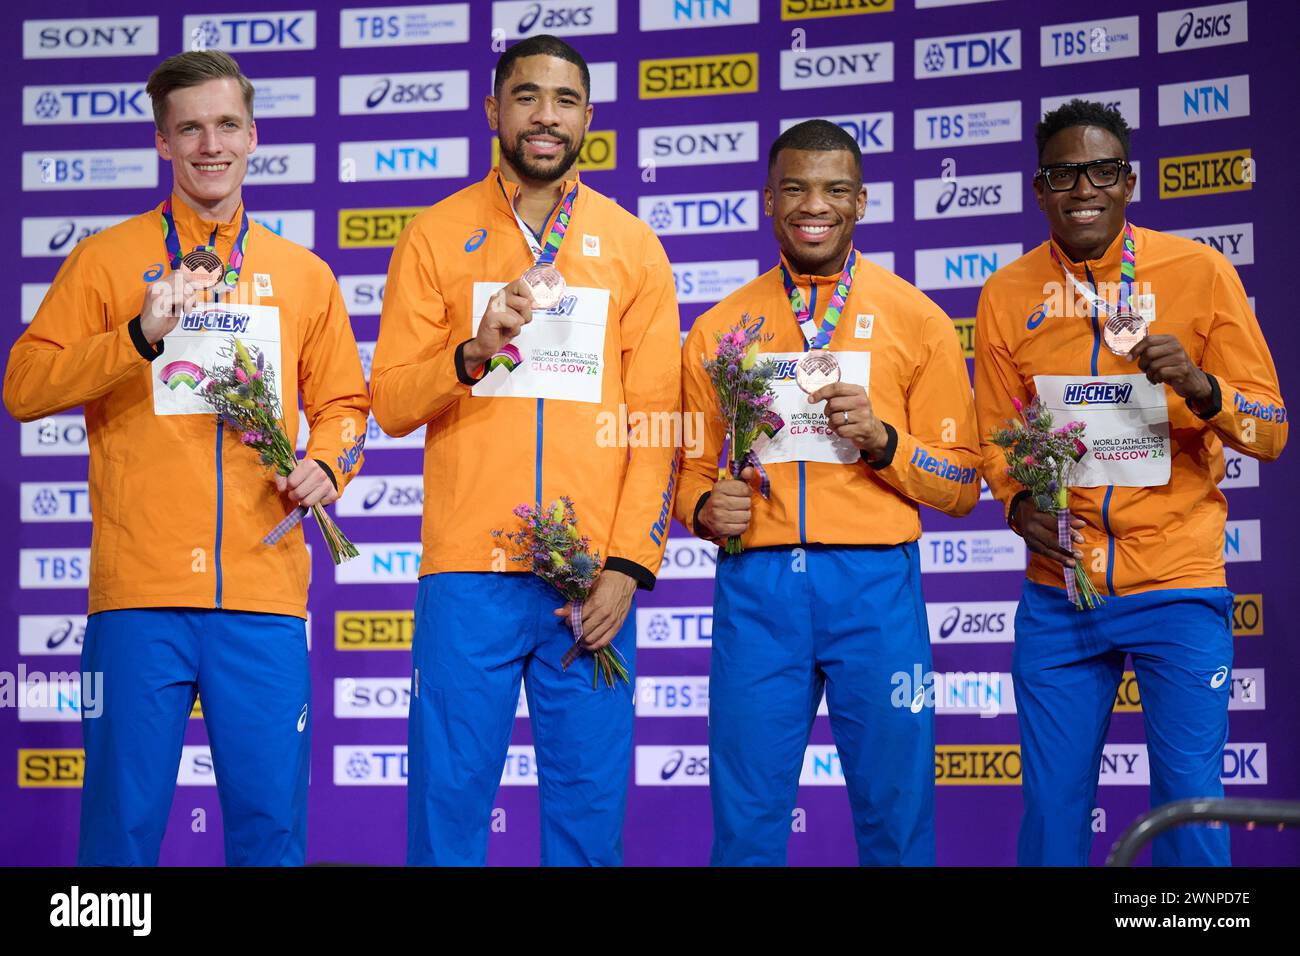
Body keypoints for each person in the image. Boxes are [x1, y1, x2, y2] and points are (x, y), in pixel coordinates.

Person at [4, 50, 370, 866]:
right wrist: (135, 338)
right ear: (163, 142)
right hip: (140, 596)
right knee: (120, 832)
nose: (211, 144)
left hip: (263, 592)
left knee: (270, 830)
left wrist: (330, 465)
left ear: (254, 136)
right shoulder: (105, 260)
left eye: (227, 125)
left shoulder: (303, 276)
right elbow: (24, 386)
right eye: (190, 128)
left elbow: (346, 407)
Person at [370, 34, 681, 867]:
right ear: (493, 111)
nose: (546, 116)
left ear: (589, 117)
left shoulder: (632, 246)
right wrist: (469, 356)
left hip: (588, 579)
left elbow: (657, 424)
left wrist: (627, 565)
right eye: (527, 96)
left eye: (566, 100)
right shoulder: (435, 237)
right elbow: (391, 404)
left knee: (587, 819)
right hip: (468, 572)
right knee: (447, 811)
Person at [973, 99, 1287, 866]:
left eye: (1103, 171)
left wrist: (1203, 387)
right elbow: (995, 440)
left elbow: (1271, 428)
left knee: (1185, 811)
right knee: (1052, 816)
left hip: (1176, 583)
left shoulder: (1198, 271)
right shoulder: (1006, 294)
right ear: (1039, 188)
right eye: (1064, 173)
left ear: (1130, 182)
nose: (1084, 189)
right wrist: (1018, 508)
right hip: (1061, 594)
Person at [676, 120, 981, 866]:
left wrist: (885, 444)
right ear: (768, 201)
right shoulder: (722, 327)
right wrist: (703, 510)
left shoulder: (919, 320)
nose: (816, 205)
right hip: (759, 589)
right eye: (797, 189)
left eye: (835, 189)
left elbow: (965, 484)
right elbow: (686, 469)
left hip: (874, 588)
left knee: (896, 815)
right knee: (746, 821)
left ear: (863, 201)